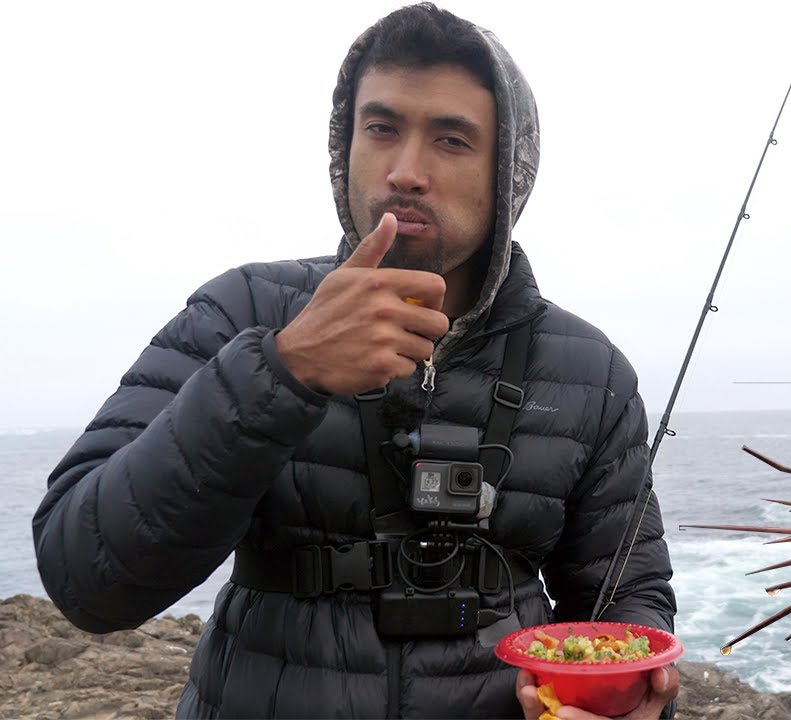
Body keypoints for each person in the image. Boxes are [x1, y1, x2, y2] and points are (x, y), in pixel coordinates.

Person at [31, 3, 678, 718]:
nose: (405, 171)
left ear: (509, 172)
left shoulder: (593, 371)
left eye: (452, 140)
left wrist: (632, 701)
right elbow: (84, 577)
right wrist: (280, 374)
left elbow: (626, 600)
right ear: (346, 145)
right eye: (382, 128)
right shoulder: (245, 311)